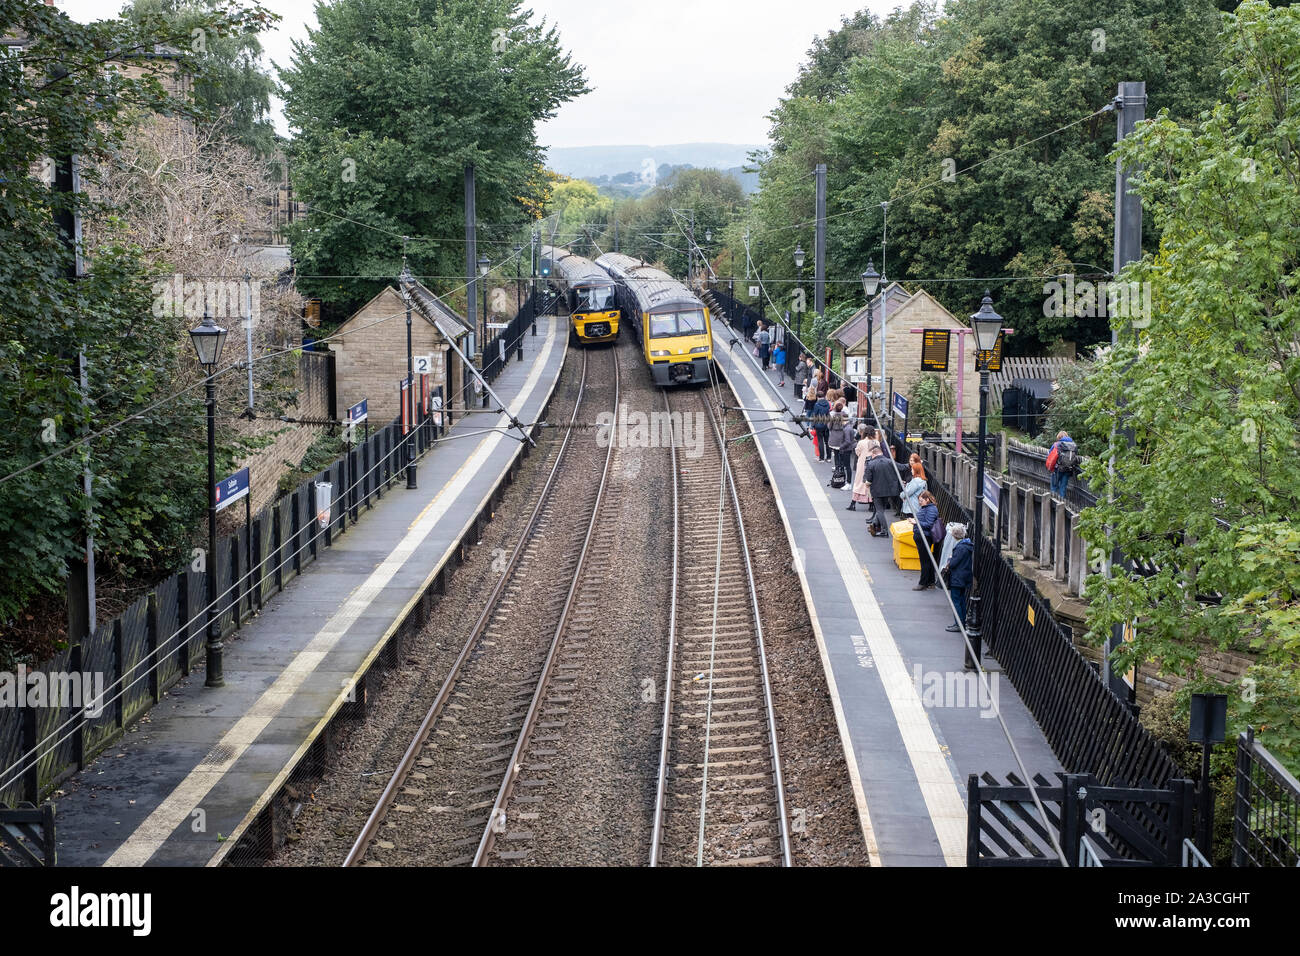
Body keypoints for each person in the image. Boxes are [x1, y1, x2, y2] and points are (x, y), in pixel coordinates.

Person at [864, 441, 901, 536]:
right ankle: (874, 525)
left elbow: (868, 479)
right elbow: (901, 467)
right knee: (882, 510)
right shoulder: (889, 461)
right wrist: (911, 465)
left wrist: (867, 485)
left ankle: (884, 531)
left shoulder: (871, 464)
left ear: (874, 453)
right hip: (888, 490)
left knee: (879, 510)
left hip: (876, 491)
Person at [942, 524, 973, 632]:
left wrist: (950, 560)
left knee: (956, 601)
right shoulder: (967, 545)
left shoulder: (960, 548)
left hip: (957, 578)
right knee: (962, 600)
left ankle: (958, 624)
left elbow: (954, 563)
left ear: (955, 535)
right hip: (964, 577)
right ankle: (962, 622)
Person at [911, 490, 940, 590]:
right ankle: (930, 581)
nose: (920, 502)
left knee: (924, 560)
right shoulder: (926, 508)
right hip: (922, 536)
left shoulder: (931, 509)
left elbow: (929, 524)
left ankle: (923, 583)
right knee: (927, 559)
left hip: (925, 536)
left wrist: (916, 522)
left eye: (921, 500)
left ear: (927, 499)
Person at [827, 400, 853, 485]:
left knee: (836, 453)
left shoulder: (833, 416)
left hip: (834, 437)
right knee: (842, 454)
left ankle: (837, 468)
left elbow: (829, 426)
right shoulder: (845, 415)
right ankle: (842, 469)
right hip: (842, 437)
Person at [848, 429, 874, 512]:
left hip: (862, 465)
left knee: (858, 483)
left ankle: (853, 503)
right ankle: (871, 505)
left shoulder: (861, 442)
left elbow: (857, 452)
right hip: (873, 465)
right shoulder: (876, 442)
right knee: (870, 483)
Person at [1045, 430, 1076, 499]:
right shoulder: (1073, 445)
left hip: (1057, 468)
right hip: (1068, 469)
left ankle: (1053, 502)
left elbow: (1050, 455)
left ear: (1059, 437)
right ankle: (1062, 502)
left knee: (1054, 487)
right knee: (1063, 487)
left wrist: (1050, 468)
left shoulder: (1056, 444)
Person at [811, 393, 831, 461]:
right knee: (827, 441)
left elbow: (815, 415)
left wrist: (812, 425)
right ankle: (829, 457)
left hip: (819, 425)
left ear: (817, 397)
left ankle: (821, 458)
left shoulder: (817, 405)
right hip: (826, 424)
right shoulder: (828, 403)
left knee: (820, 441)